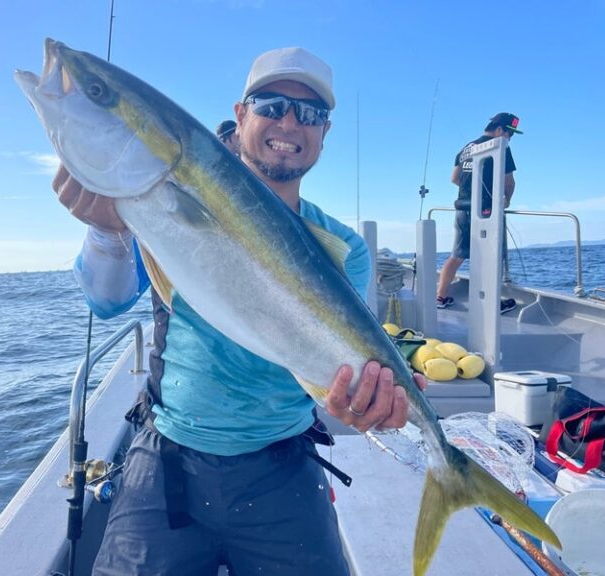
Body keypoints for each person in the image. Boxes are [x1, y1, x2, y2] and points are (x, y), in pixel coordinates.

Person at [53, 47, 426, 576]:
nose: (290, 123)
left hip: (282, 467)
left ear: (325, 133)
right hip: (167, 460)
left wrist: (355, 401)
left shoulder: (342, 247)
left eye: (310, 114)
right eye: (272, 105)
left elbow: (323, 365)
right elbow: (107, 301)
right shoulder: (164, 198)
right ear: (242, 112)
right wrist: (107, 230)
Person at [436, 112, 522, 313]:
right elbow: (509, 181)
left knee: (457, 255)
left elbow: (455, 178)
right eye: (510, 133)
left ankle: (440, 297)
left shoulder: (466, 148)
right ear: (500, 129)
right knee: (492, 256)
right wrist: (505, 200)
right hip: (486, 212)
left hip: (463, 209)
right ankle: (492, 304)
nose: (510, 138)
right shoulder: (500, 147)